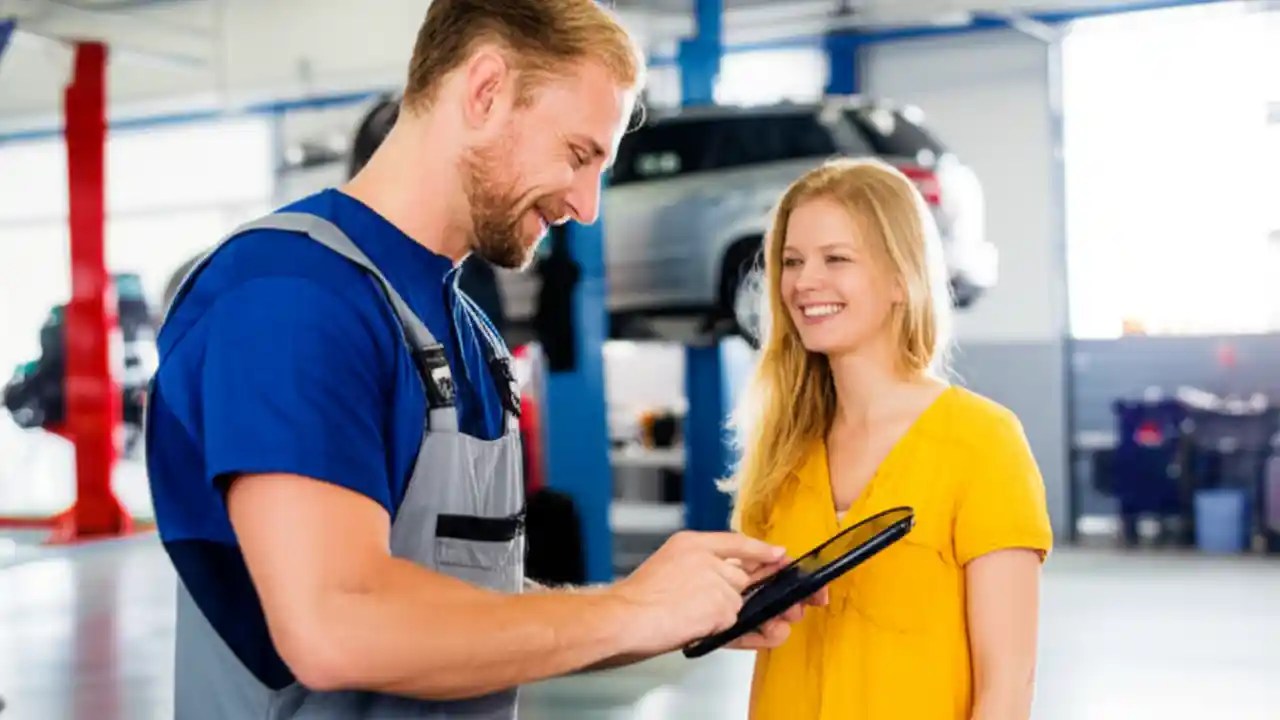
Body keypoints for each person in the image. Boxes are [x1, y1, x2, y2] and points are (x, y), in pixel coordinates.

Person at [145, 2, 816, 718]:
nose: (587, 207)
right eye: (579, 154)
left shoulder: (472, 338)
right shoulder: (288, 297)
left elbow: (462, 606)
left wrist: (670, 607)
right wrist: (628, 609)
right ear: (486, 89)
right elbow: (338, 623)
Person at [725, 158, 1054, 720]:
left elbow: (1007, 686)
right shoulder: (783, 452)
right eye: (792, 261)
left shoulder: (983, 442)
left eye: (837, 259)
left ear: (901, 279)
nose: (805, 282)